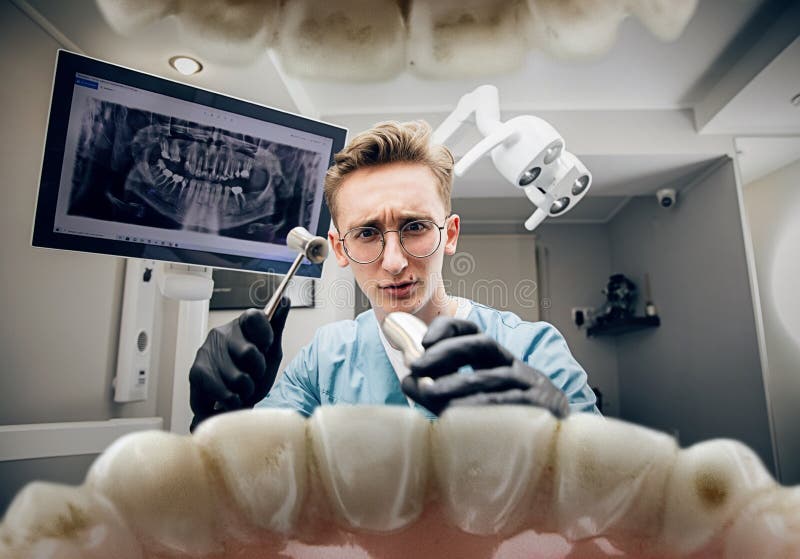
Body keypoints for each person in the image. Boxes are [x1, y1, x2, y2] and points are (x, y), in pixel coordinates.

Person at [189, 121, 598, 430]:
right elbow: (255, 487)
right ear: (338, 248)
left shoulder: (533, 349)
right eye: (367, 233)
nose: (394, 262)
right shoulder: (324, 361)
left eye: (415, 227)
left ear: (450, 234)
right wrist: (222, 424)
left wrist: (564, 445)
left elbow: (617, 502)